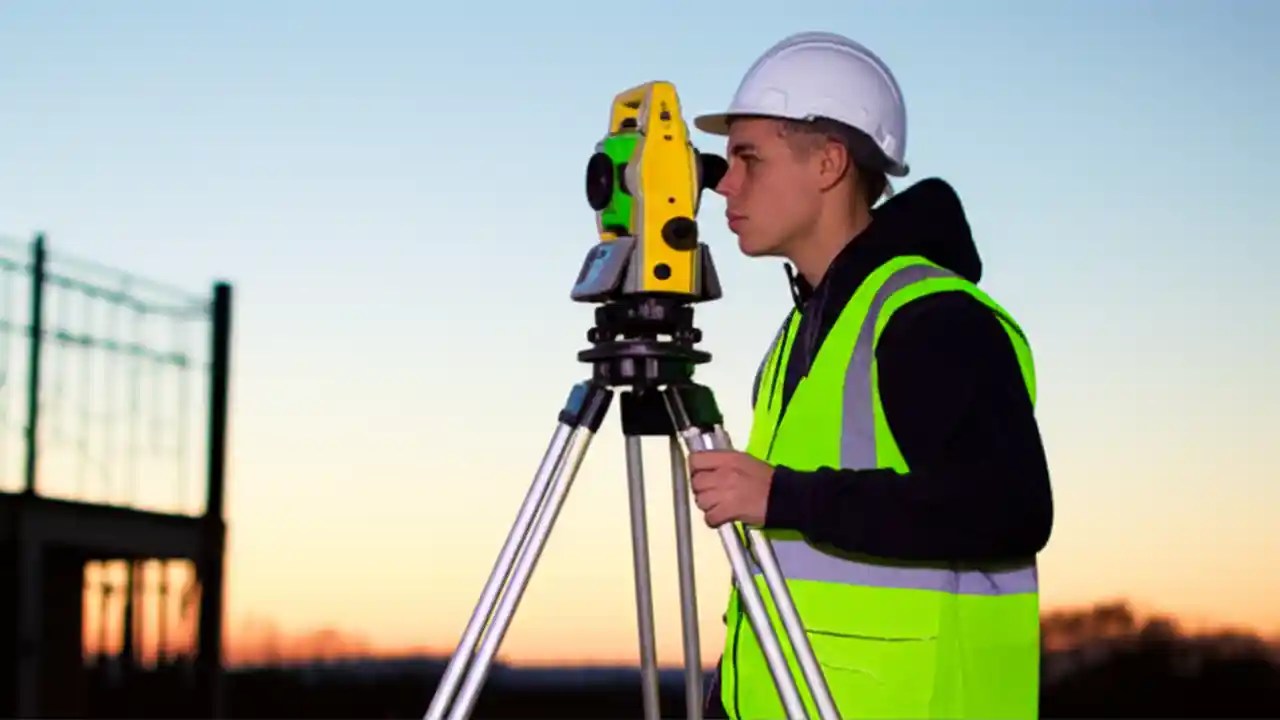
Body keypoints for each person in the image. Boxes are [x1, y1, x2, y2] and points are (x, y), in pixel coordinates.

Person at [686, 31, 1054, 719]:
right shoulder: (803, 333)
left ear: (828, 163)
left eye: (748, 158)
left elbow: (1009, 508)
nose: (724, 184)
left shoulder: (929, 318)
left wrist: (785, 496)